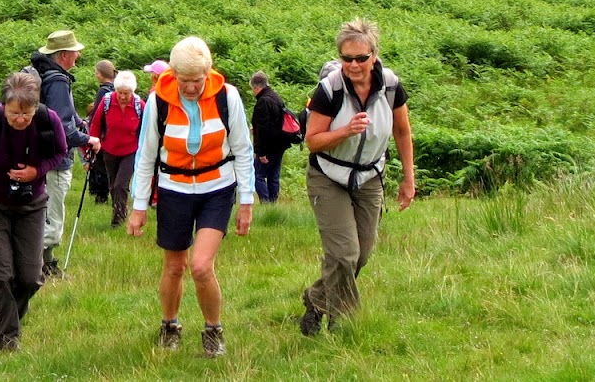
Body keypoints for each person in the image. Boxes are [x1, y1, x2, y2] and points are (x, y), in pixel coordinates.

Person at [127, 36, 254, 359]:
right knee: (174, 266)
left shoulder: (228, 96)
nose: (191, 88)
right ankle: (169, 325)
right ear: (173, 75)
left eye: (197, 81)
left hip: (217, 188)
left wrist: (246, 202)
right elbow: (146, 156)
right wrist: (138, 207)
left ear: (208, 75)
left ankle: (213, 331)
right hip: (174, 189)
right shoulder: (159, 101)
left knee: (200, 266)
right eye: (184, 81)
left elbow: (242, 150)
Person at [300, 18, 416, 336]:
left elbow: (402, 131)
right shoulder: (329, 90)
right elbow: (312, 141)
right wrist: (345, 131)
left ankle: (315, 298)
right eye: (347, 58)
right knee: (344, 254)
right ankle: (344, 321)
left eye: (361, 58)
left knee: (360, 255)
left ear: (374, 56)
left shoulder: (390, 86)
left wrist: (408, 178)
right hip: (328, 176)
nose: (353, 65)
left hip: (369, 177)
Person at [0, 71, 68, 351]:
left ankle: (8, 321)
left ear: (36, 108)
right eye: (15, 112)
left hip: (31, 206)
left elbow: (60, 153)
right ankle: (6, 339)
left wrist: (36, 171)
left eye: (27, 113)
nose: (21, 119)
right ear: (4, 105)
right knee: (0, 273)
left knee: (30, 277)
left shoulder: (48, 120)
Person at [27, 29, 96, 281]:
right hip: (55, 160)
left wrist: (80, 121)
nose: (78, 54)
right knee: (53, 225)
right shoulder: (57, 80)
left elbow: (63, 115)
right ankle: (24, 263)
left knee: (44, 213)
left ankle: (45, 266)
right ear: (64, 54)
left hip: (38, 156)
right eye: (75, 51)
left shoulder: (45, 74)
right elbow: (63, 128)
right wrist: (89, 138)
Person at [90, 70, 144, 227]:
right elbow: (96, 123)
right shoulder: (107, 101)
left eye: (126, 93)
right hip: (109, 150)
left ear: (132, 92)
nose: (122, 96)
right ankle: (119, 209)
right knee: (113, 185)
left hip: (131, 151)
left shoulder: (139, 105)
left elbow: (146, 128)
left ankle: (118, 218)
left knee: (121, 184)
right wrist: (94, 142)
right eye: (120, 92)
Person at [250, 71, 293, 203]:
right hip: (280, 144)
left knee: (258, 175)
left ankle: (265, 202)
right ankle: (273, 204)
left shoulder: (263, 102)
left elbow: (263, 129)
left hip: (268, 146)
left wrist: (261, 152)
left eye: (252, 89)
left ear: (257, 87)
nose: (253, 92)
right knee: (274, 176)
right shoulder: (276, 97)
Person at [86, 59, 118, 204]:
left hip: (102, 134)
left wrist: (93, 132)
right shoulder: (116, 89)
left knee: (99, 165)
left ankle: (101, 195)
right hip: (113, 133)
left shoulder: (103, 91)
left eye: (96, 72)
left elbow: (97, 114)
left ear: (101, 74)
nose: (95, 75)